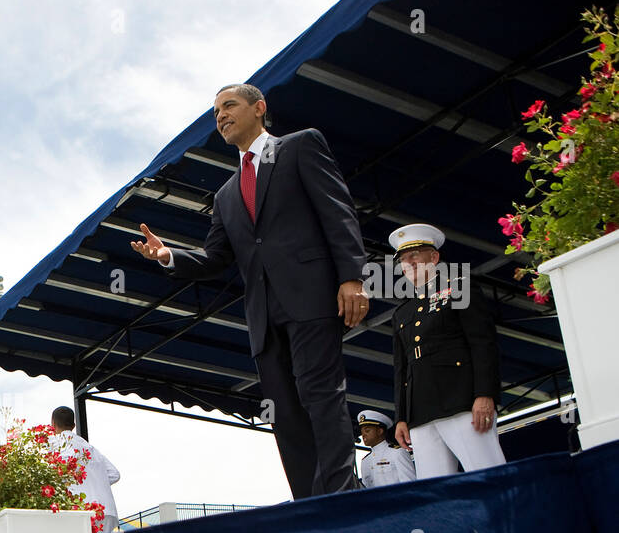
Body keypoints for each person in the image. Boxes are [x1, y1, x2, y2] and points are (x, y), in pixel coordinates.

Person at [132, 84, 368, 499]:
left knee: (320, 395)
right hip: (263, 317)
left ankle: (341, 497)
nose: (221, 116)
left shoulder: (300, 146)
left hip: (310, 298)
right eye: (215, 113)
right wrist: (168, 255)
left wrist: (352, 278)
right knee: (286, 414)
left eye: (229, 106)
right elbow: (215, 258)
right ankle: (309, 504)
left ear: (259, 108)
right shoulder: (225, 195)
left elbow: (338, 211)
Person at [389, 224, 506, 479]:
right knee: (434, 490)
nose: (409, 263)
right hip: (420, 412)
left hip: (461, 401)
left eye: (414, 255)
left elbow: (482, 342)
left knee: (489, 475)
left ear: (434, 257)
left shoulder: (459, 287)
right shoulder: (402, 312)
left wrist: (485, 394)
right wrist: (401, 417)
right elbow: (401, 369)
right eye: (403, 260)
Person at [47, 407, 121, 533]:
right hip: (108, 511)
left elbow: (50, 472)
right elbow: (115, 474)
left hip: (82, 510)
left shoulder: (55, 443)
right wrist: (95, 482)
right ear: (73, 425)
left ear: (52, 424)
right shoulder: (89, 447)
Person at [355, 410, 415, 488]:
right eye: (362, 432)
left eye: (367, 431)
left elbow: (410, 484)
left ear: (380, 431)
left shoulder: (397, 452)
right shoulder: (365, 461)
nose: (363, 435)